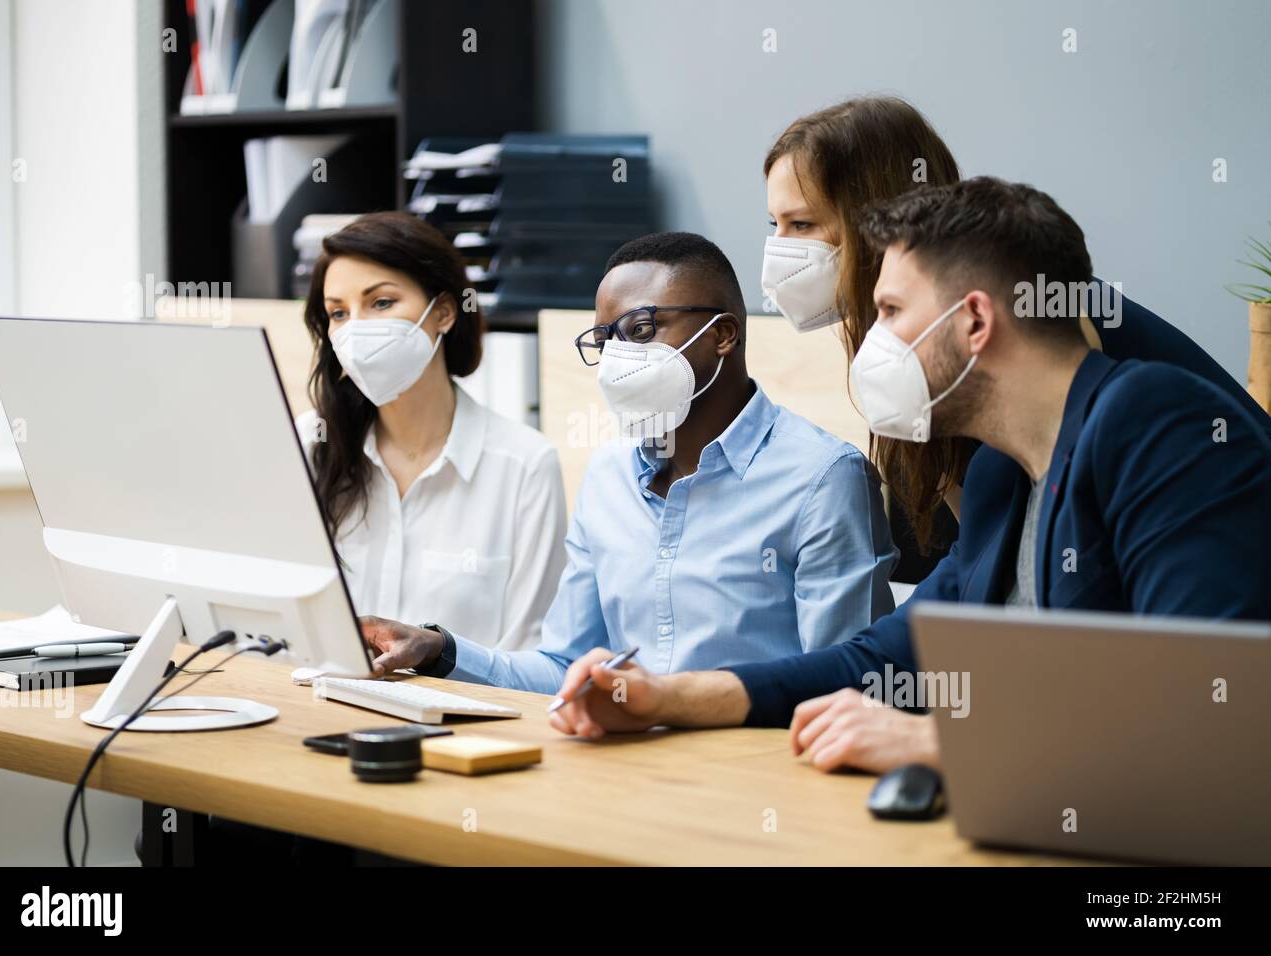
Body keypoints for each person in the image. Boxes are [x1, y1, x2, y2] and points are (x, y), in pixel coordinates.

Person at [548, 178, 1271, 771]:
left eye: (892, 311)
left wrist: (934, 742)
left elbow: (1210, 711)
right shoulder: (1000, 477)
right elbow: (885, 656)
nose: (875, 342)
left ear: (976, 321)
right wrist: (666, 697)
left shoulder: (1157, 423)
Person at [359, 232, 898, 693]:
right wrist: (439, 649)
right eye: (605, 339)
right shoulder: (609, 474)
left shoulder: (823, 478)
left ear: (723, 335)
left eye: (640, 331)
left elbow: (842, 690)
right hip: (622, 774)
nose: (617, 356)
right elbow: (564, 667)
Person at [761, 96, 1271, 563]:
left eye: (802, 225)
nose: (781, 249)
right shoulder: (902, 348)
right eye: (774, 226)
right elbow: (984, 571)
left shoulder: (1035, 321)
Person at [295, 211, 567, 652]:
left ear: (443, 312)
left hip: (464, 719)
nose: (356, 329)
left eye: (381, 303)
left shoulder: (525, 466)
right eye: (338, 313)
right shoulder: (307, 444)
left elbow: (531, 661)